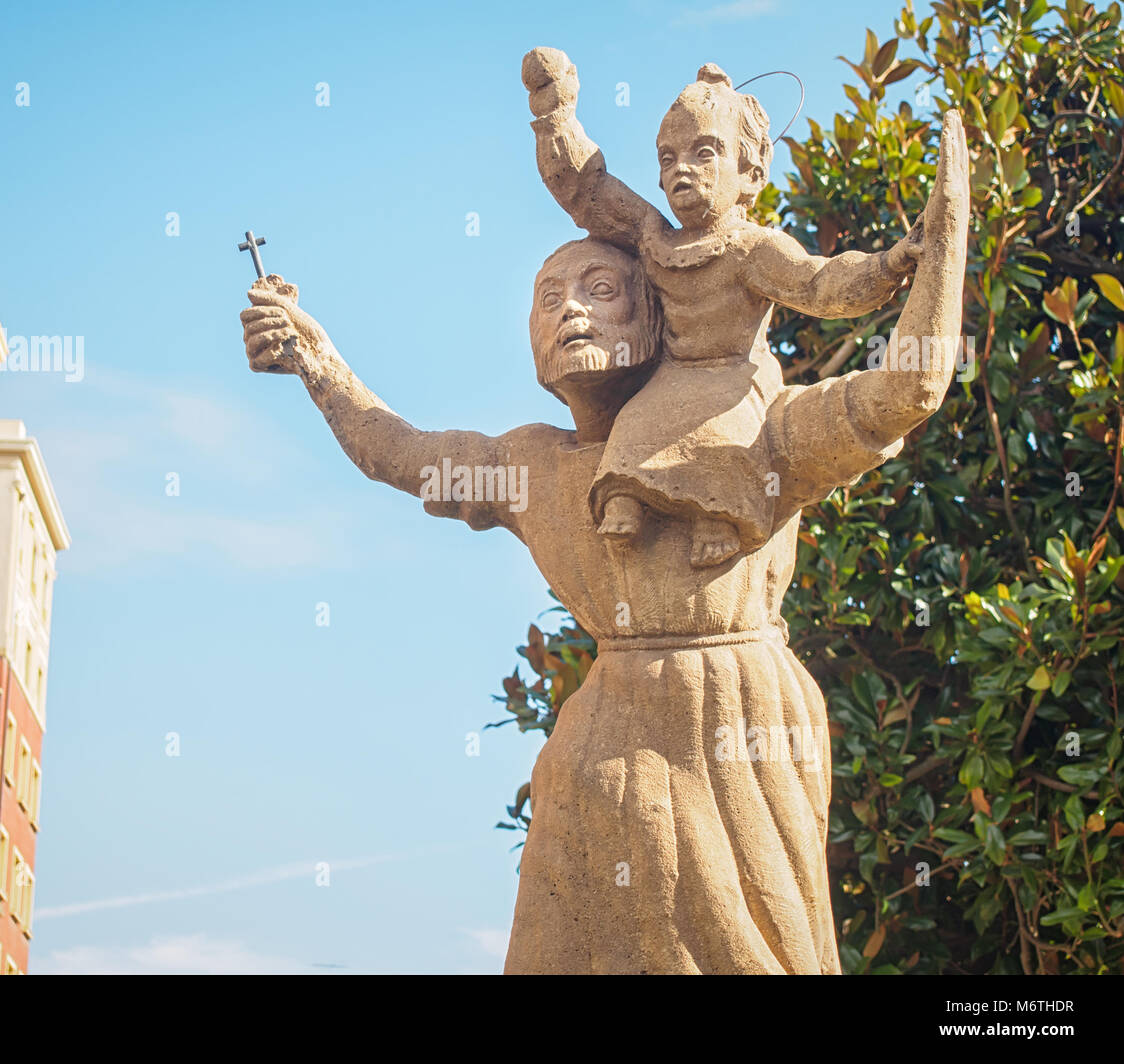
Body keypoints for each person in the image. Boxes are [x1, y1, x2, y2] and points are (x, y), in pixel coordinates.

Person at [239, 111, 966, 970]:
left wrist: (940, 247)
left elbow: (909, 388)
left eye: (600, 291)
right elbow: (398, 453)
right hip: (600, 750)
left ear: (660, 319)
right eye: (549, 299)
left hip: (737, 727)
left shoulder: (755, 437)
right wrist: (315, 362)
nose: (570, 313)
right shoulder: (530, 471)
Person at [522, 48, 926, 564]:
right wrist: (554, 115)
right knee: (638, 419)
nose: (681, 171)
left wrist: (891, 264)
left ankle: (721, 516)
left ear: (750, 172)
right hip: (676, 374)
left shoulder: (754, 249)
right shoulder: (653, 237)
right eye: (668, 158)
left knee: (725, 436)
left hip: (736, 377)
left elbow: (821, 284)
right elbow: (590, 191)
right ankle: (626, 498)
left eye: (704, 153)